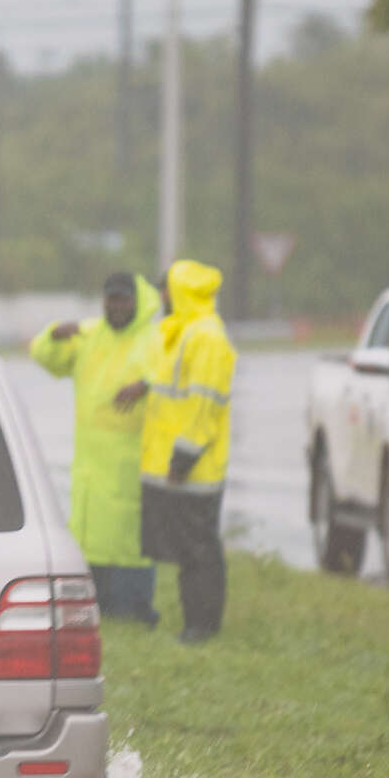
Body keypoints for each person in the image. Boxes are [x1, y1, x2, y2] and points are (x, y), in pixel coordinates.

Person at [29, 270, 163, 624]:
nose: (116, 306)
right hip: (92, 463)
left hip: (132, 460)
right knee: (93, 541)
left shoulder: (154, 339)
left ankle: (135, 608)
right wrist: (54, 334)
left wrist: (144, 386)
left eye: (123, 299)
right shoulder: (89, 335)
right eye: (111, 299)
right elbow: (47, 358)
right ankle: (97, 606)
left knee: (129, 542)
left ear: (137, 301)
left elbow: (173, 376)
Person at [134, 258, 238, 644]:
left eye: (166, 290)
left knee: (199, 550)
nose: (162, 297)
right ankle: (194, 622)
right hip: (179, 466)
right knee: (189, 550)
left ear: (179, 293)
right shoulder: (182, 332)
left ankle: (202, 626)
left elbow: (203, 406)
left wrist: (183, 457)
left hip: (196, 468)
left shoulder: (206, 337)